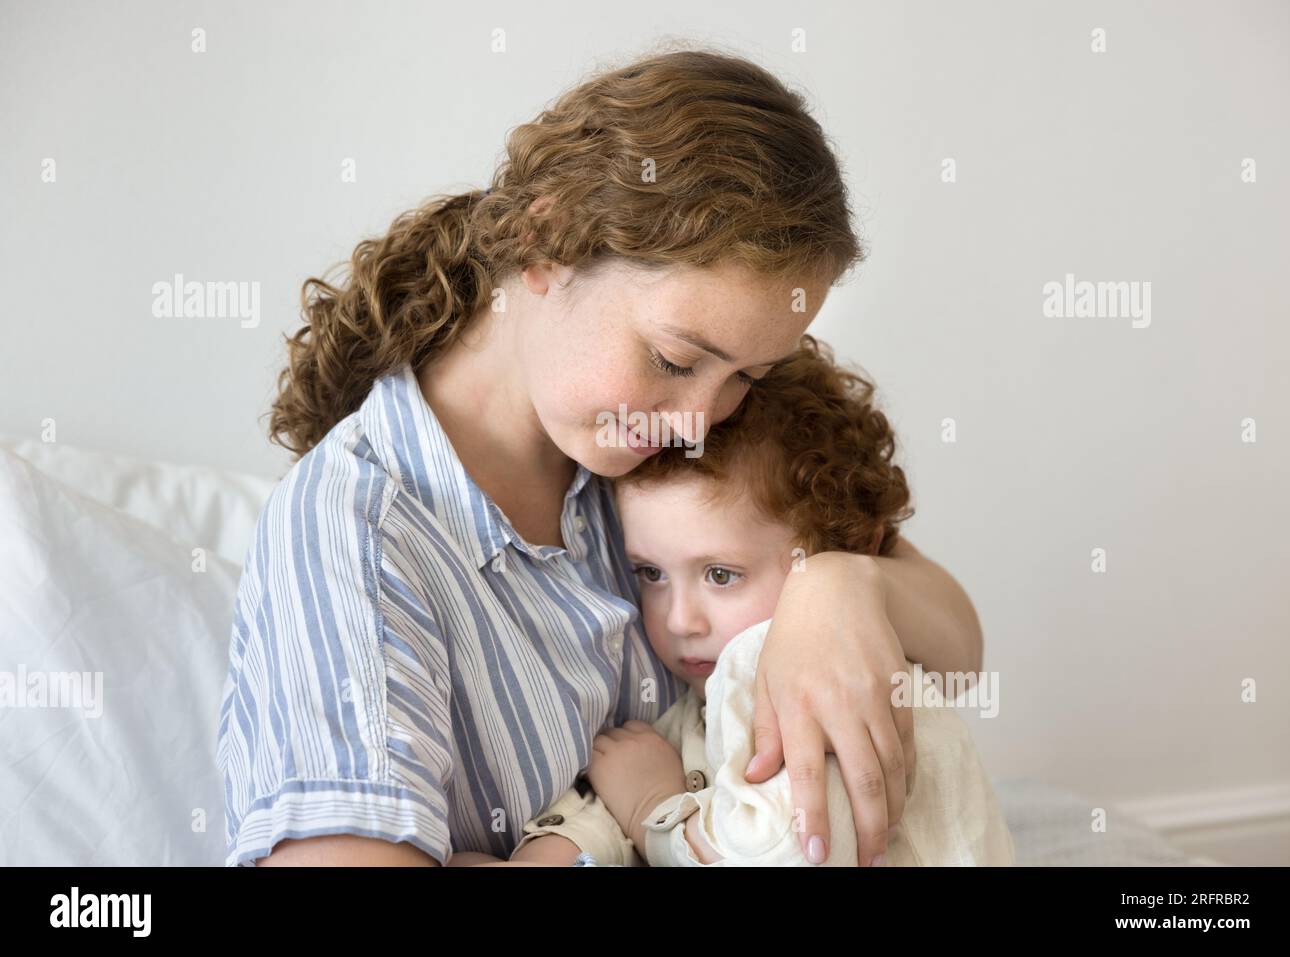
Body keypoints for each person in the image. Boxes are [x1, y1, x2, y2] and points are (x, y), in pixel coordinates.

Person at [216, 47, 983, 869]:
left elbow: (959, 645)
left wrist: (838, 585)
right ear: (546, 242)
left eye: (745, 376)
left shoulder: (664, 438)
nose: (699, 422)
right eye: (674, 360)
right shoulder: (358, 537)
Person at [503, 335, 1015, 866]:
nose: (680, 620)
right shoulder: (702, 693)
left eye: (722, 575)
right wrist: (552, 852)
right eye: (651, 573)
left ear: (845, 547)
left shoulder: (825, 679)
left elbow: (777, 853)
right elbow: (625, 779)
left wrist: (654, 806)